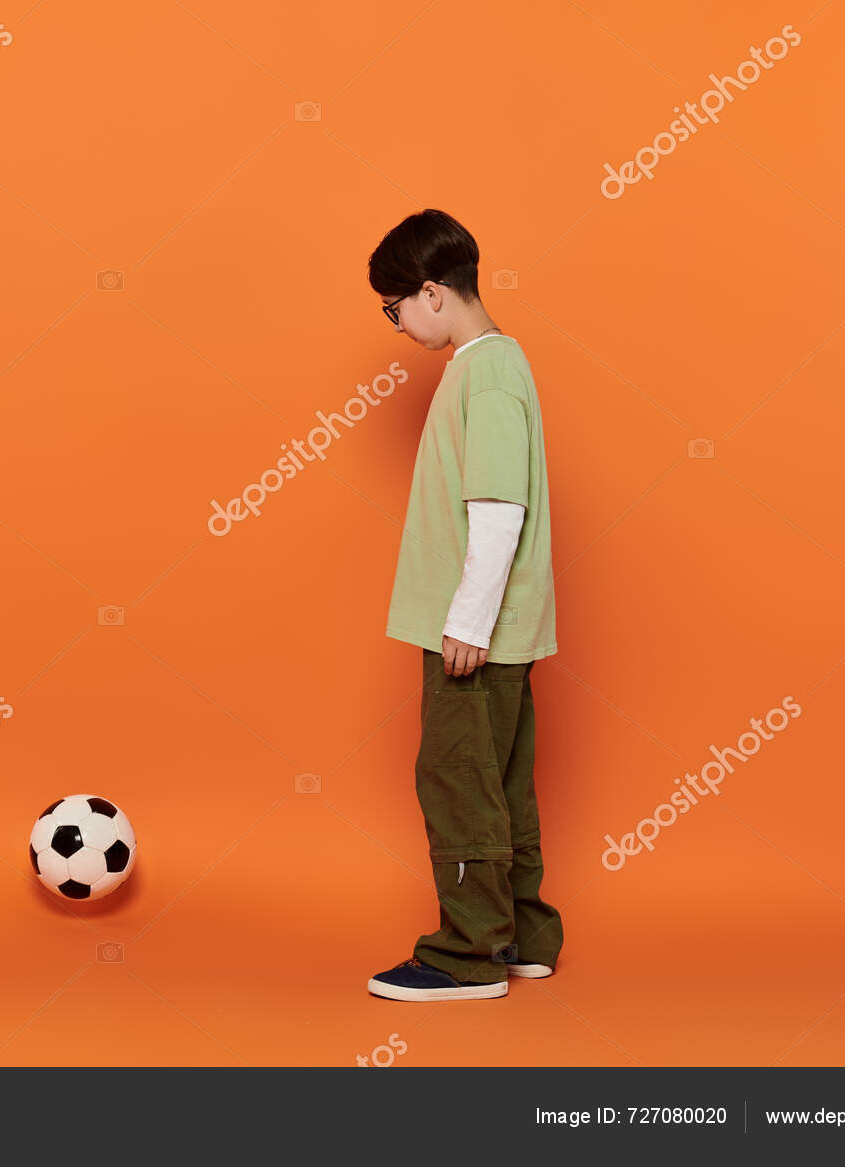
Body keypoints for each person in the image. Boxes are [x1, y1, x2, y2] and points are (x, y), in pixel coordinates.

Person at [363, 209, 563, 1002]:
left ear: (432, 292)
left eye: (396, 307)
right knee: (502, 782)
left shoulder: (483, 371)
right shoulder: (497, 366)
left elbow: (497, 505)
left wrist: (468, 621)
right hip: (496, 631)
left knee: (455, 778)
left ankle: (465, 955)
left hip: (472, 634)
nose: (398, 324)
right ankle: (522, 935)